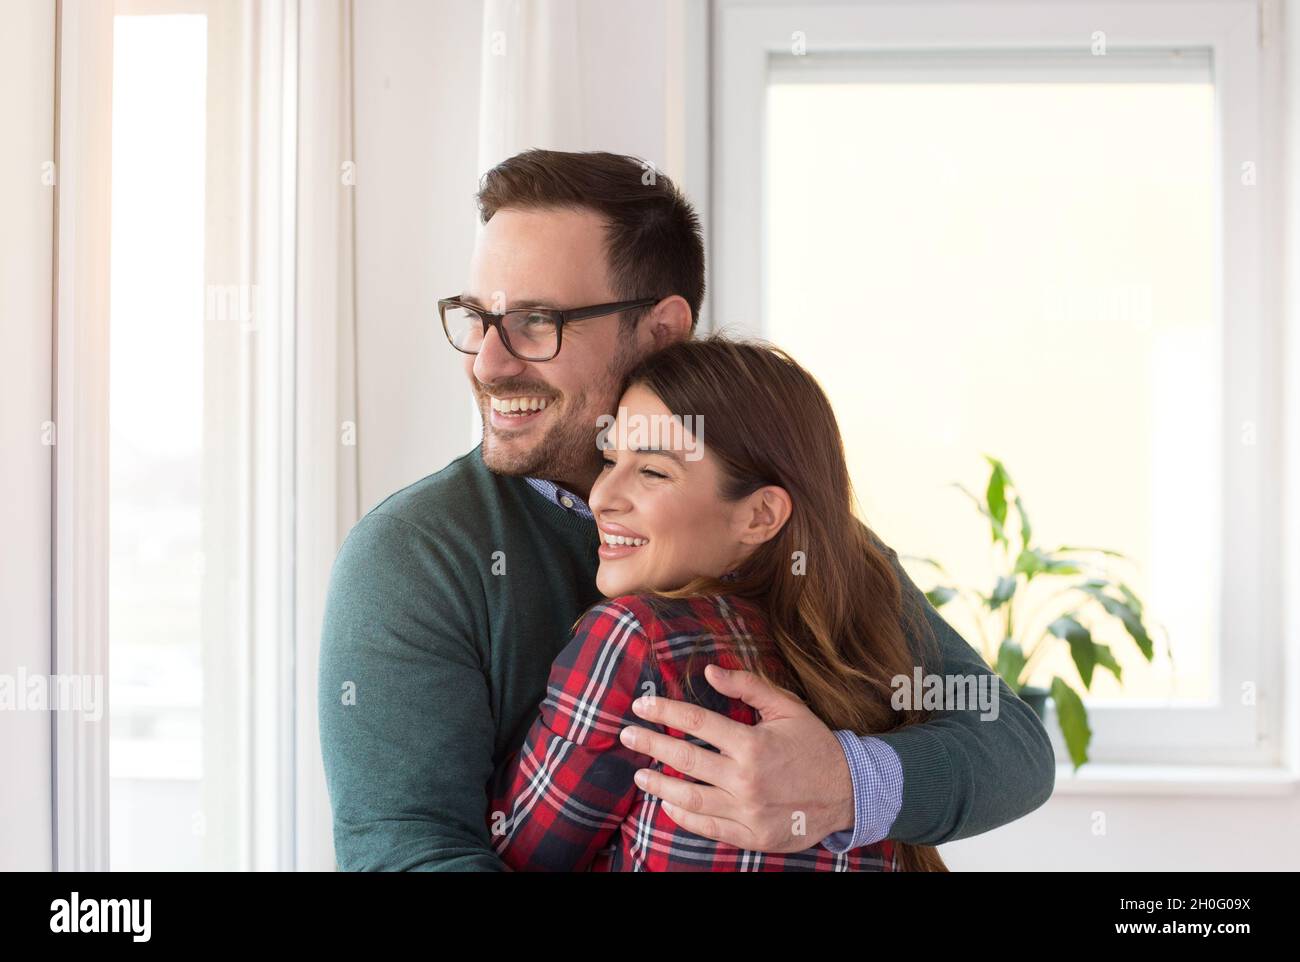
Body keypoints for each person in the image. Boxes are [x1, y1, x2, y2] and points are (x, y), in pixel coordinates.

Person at [318, 149, 1055, 870]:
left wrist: (843, 782)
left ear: (662, 329)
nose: (488, 362)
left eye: (536, 322)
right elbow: (406, 850)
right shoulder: (414, 555)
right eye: (479, 317)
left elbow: (1013, 748)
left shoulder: (780, 527)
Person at [489, 336, 954, 871]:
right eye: (610, 459)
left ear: (759, 515)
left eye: (653, 472)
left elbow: (517, 855)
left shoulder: (635, 639)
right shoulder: (868, 644)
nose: (601, 496)